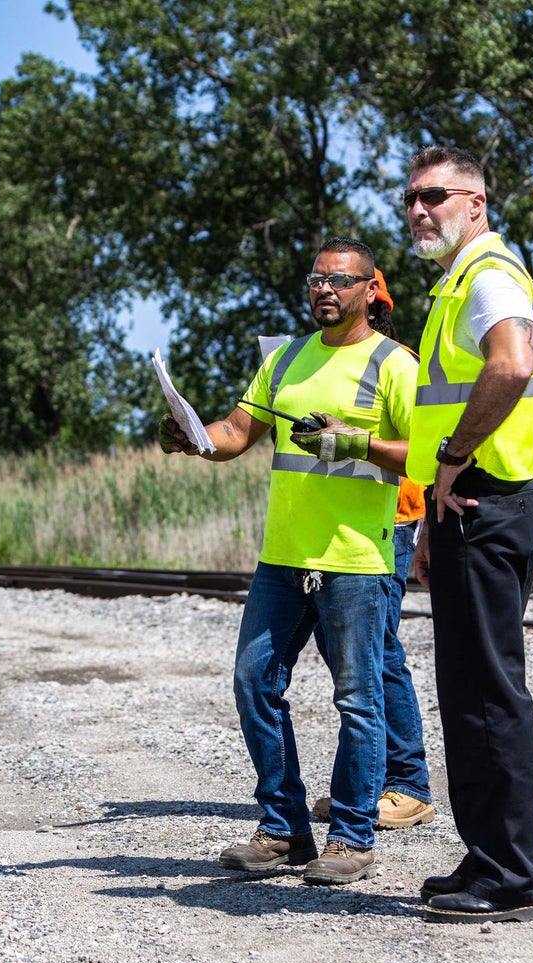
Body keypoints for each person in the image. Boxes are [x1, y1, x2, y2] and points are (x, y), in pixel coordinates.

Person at [159, 237, 416, 886]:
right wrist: (195, 441)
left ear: (368, 289)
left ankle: (352, 838)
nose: (325, 289)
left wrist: (351, 442)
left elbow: (426, 454)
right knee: (254, 683)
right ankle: (284, 831)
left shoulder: (395, 364)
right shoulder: (285, 360)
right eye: (316, 280)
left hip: (356, 561)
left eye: (340, 280)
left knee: (359, 701)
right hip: (283, 558)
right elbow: (236, 432)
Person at [401, 146, 533, 924]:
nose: (419, 210)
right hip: (464, 505)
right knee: (465, 691)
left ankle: (515, 877)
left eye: (434, 195)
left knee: (489, 692)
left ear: (476, 203)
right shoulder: (457, 282)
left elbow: (512, 365)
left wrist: (454, 460)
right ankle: (486, 853)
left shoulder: (488, 274)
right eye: (411, 198)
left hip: (488, 498)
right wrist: (433, 513)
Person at [310, 269, 436, 831]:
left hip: (397, 517)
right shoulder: (335, 358)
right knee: (360, 653)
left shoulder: (394, 361)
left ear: (373, 302)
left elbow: (423, 449)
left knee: (379, 651)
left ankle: (407, 784)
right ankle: (370, 782)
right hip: (362, 523)